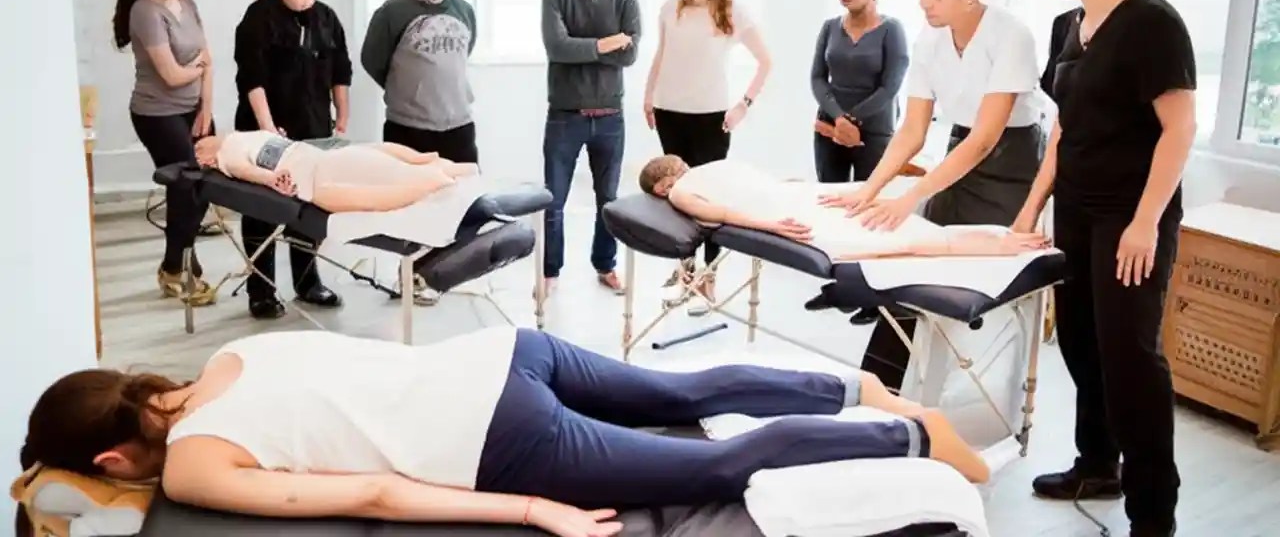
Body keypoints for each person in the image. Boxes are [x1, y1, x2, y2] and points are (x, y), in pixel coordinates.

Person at [18, 327, 991, 537]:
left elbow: (372, 494)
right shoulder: (233, 354)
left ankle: (912, 441)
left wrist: (537, 509)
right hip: (502, 351)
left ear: (110, 458)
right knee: (678, 385)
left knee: (717, 462)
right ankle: (858, 387)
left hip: (497, 434)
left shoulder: (191, 467)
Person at [1013, 0, 1195, 537]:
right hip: (1078, 208)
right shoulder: (1070, 24)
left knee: (1130, 358)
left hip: (1131, 214)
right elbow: (1063, 125)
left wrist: (1147, 222)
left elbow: (1179, 129)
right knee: (1080, 342)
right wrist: (1033, 205)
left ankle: (1153, 513)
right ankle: (1098, 465)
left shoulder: (1153, 24)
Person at [819, 0, 1045, 343]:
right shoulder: (930, 39)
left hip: (1013, 162)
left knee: (978, 283)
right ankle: (888, 390)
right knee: (918, 273)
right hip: (962, 149)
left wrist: (911, 197)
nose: (925, 3)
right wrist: (870, 189)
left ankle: (967, 386)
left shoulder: (1010, 35)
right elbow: (913, 130)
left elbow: (985, 140)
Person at [641, 0, 772, 295]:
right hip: (670, 112)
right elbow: (661, 55)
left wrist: (743, 104)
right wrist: (649, 96)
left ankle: (709, 275)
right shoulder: (670, 9)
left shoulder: (732, 12)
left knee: (711, 196)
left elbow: (766, 61)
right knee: (677, 192)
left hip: (711, 116)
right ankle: (686, 268)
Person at [231, 0, 351, 319]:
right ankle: (261, 290)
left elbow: (340, 71)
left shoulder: (326, 18)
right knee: (261, 209)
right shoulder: (259, 18)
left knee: (307, 206)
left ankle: (307, 280)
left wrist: (342, 116)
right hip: (266, 130)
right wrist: (267, 129)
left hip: (313, 128)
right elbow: (252, 79)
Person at [639, 155, 1050, 261]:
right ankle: (1003, 239)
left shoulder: (682, 188)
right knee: (874, 211)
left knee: (899, 241)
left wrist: (771, 223)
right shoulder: (704, 174)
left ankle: (1003, 244)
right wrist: (776, 218)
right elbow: (743, 201)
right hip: (793, 198)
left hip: (788, 205)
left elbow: (721, 213)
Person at [540, 0, 642, 295]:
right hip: (565, 115)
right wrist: (606, 43)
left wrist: (587, 47)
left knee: (609, 201)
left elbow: (630, 55)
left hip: (611, 117)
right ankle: (549, 272)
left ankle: (605, 264)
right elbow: (557, 47)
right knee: (553, 199)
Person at [113, 0, 218, 307]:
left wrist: (206, 108)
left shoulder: (187, 2)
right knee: (185, 186)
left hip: (193, 109)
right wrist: (197, 67)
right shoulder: (145, 11)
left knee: (208, 183)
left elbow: (208, 59)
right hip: (157, 113)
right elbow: (171, 76)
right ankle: (177, 267)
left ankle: (180, 260)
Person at [362, 0, 480, 164]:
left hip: (459, 126)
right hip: (408, 128)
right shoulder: (392, 12)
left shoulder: (463, 11)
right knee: (409, 196)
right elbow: (372, 60)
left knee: (465, 194)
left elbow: (464, 53)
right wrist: (409, 90)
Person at [194, 131, 477, 213]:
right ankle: (442, 168)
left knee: (382, 187)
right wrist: (273, 177)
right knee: (382, 160)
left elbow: (248, 171)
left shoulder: (230, 147)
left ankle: (433, 179)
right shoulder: (243, 142)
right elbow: (251, 169)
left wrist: (272, 179)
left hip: (319, 175)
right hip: (324, 160)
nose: (198, 151)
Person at [811, 0, 909, 185]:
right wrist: (839, 119)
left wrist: (851, 120)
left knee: (868, 201)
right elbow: (817, 78)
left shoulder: (892, 30)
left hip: (874, 132)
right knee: (829, 198)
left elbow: (890, 87)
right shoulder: (830, 27)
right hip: (830, 128)